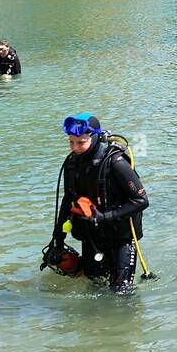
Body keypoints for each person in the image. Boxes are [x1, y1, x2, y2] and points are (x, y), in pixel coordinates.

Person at [42, 113, 148, 293]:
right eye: (71, 142)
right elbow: (68, 200)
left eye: (81, 142)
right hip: (92, 238)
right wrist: (57, 239)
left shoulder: (115, 162)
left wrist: (105, 217)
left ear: (95, 137)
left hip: (121, 239)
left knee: (121, 292)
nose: (75, 148)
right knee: (94, 288)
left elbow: (141, 200)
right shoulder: (71, 164)